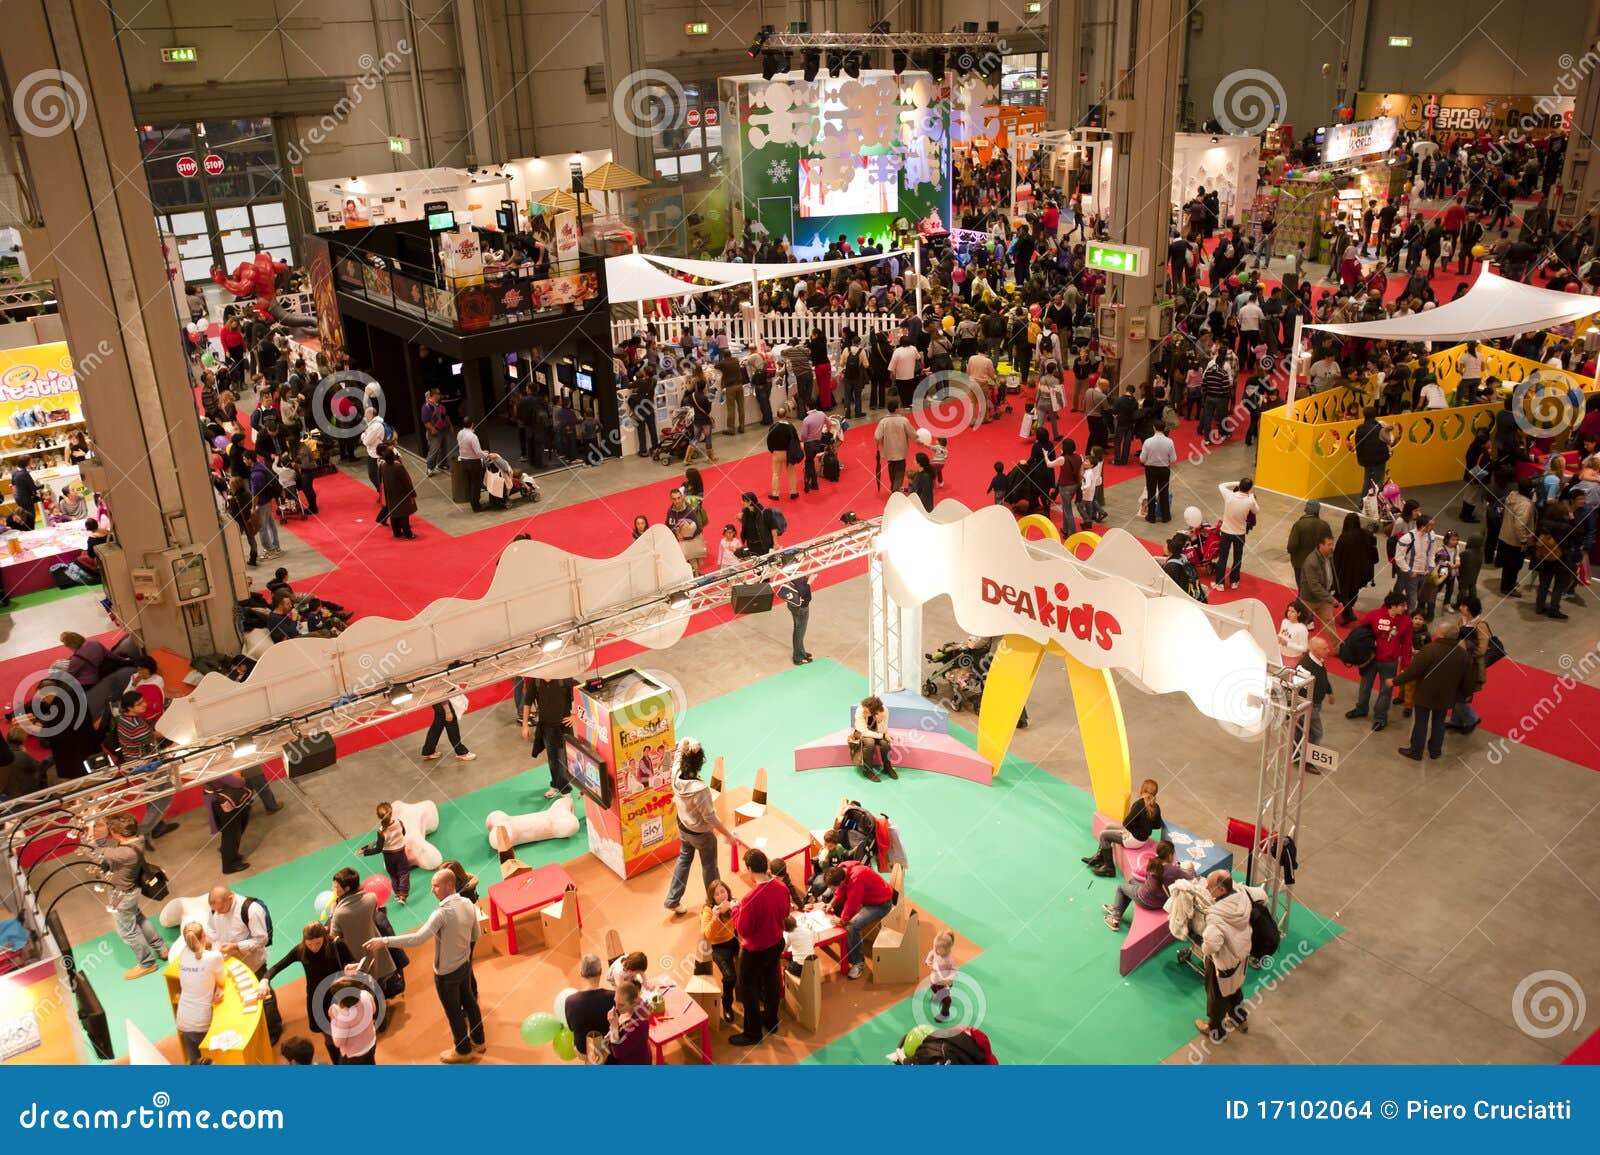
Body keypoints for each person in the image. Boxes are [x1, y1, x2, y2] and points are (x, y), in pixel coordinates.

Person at [366, 868, 485, 1063]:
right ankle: (479, 1041)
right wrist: (463, 954)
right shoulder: (467, 903)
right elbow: (476, 935)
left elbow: (418, 938)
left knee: (454, 1011)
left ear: (449, 886)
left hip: (446, 974)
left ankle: (463, 1050)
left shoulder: (441, 914)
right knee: (470, 1002)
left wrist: (385, 941)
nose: (432, 890)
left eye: (435, 886)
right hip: (464, 965)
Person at [266, 922, 358, 1063]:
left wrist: (352, 966)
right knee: (329, 1037)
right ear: (304, 942)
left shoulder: (337, 945)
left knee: (347, 1032)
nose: (314, 948)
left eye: (318, 943)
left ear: (325, 937)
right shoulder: (300, 950)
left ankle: (352, 1060)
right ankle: (338, 1064)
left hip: (338, 996)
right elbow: (277, 967)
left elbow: (353, 961)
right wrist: (265, 980)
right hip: (317, 999)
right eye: (310, 944)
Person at [662, 739, 733, 914]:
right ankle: (716, 904)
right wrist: (727, 834)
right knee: (709, 866)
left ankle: (672, 899)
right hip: (701, 834)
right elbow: (710, 818)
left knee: (684, 859)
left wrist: (692, 742)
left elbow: (683, 743)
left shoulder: (676, 770)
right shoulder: (700, 789)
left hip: (683, 825)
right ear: (700, 764)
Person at [729, 848, 790, 1046]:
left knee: (749, 990)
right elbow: (785, 912)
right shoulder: (782, 888)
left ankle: (752, 1033)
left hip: (755, 951)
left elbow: (744, 930)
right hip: (776, 942)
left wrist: (735, 909)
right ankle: (771, 1020)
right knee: (772, 979)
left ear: (749, 869)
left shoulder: (749, 899)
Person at [207, 884, 282, 1042]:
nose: (218, 913)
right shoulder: (216, 908)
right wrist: (214, 944)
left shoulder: (251, 909)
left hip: (254, 963)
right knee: (244, 998)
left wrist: (235, 946)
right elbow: (213, 930)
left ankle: (273, 1029)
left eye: (221, 909)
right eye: (216, 910)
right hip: (231, 963)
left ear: (230, 898)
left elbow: (261, 939)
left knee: (264, 995)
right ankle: (256, 1028)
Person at [97, 815, 168, 978]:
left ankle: (147, 963)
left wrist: (93, 833)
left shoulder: (122, 853)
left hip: (122, 895)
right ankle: (162, 949)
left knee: (128, 932)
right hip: (132, 891)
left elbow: (95, 852)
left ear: (116, 834)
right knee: (139, 920)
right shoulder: (139, 839)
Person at [1393, 624, 1476, 761]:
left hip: (1425, 693)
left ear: (1441, 634)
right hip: (1446, 695)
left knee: (1421, 722)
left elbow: (1413, 671)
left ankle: (1416, 751)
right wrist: (1464, 695)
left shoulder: (1429, 650)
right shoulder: (1463, 655)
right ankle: (1435, 751)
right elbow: (1467, 680)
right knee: (1439, 722)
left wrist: (1395, 681)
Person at [1196, 872, 1262, 1043]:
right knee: (1235, 988)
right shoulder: (1243, 896)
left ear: (1221, 889)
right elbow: (1262, 896)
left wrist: (1203, 947)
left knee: (1216, 996)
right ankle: (1240, 1019)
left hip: (1223, 963)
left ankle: (1216, 1030)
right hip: (1242, 956)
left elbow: (1211, 944)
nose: (1206, 888)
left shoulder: (1216, 916)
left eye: (1209, 886)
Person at [1345, 591, 1414, 733]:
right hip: (1370, 659)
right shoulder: (1374, 614)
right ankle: (1361, 708)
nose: (1405, 608)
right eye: (1402, 605)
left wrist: (1406, 665)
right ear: (1392, 606)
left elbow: (1407, 645)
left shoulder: (1406, 621)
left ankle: (1380, 718)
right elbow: (1360, 633)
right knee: (1365, 686)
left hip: (1390, 662)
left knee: (1385, 691)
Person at [329, 867, 399, 996]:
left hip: (356, 957)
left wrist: (332, 914)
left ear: (347, 889)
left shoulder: (339, 913)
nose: (334, 889)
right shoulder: (371, 898)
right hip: (376, 950)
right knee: (380, 982)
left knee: (366, 990)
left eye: (336, 887)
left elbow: (333, 937)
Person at [1104, 838, 1195, 930]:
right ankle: (1116, 912)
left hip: (1146, 898)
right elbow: (1191, 878)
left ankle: (1115, 916)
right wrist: (1191, 869)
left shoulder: (1152, 863)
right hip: (1160, 902)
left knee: (1122, 887)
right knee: (1131, 883)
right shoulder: (1174, 870)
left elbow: (1147, 880)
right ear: (1170, 855)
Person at [826, 858, 895, 979]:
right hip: (870, 899)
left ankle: (858, 963)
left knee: (852, 925)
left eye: (833, 888)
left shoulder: (856, 878)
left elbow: (853, 903)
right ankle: (852, 949)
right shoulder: (843, 869)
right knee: (844, 917)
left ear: (841, 881)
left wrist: (842, 920)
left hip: (881, 904)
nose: (833, 891)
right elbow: (842, 890)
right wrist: (831, 903)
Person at [1082, 778, 1162, 877]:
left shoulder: (1139, 804)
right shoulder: (1156, 807)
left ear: (1142, 790)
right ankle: (1100, 857)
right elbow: (1158, 825)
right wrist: (1144, 826)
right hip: (1142, 839)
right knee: (1109, 826)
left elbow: (1126, 823)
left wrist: (1130, 831)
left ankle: (1109, 867)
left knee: (1103, 835)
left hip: (1133, 840)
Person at [174, 921, 226, 1064]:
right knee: (213, 1061)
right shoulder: (214, 957)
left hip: (183, 1019)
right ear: (204, 935)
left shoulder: (184, 953)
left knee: (195, 1062)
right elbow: (222, 980)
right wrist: (216, 951)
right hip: (201, 1023)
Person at [524, 675, 578, 797]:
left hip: (563, 727)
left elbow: (580, 692)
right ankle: (555, 785)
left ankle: (565, 790)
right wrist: (525, 726)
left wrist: (575, 715)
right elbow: (527, 703)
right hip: (546, 728)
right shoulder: (536, 681)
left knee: (562, 759)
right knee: (552, 759)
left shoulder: (564, 679)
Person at [1446, 596, 1490, 735]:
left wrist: (1465, 654)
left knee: (1461, 693)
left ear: (1470, 608)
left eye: (1463, 606)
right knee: (1458, 691)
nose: (1460, 608)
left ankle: (1471, 719)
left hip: (1471, 665)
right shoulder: (1462, 620)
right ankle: (1456, 721)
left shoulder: (1481, 625)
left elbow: (1482, 648)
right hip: (1459, 661)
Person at [701, 880, 739, 1021]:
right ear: (712, 898)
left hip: (734, 939)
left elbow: (740, 923)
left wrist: (737, 908)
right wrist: (716, 918)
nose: (721, 896)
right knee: (730, 977)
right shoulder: (708, 910)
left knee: (754, 960)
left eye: (723, 891)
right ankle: (727, 1004)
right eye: (717, 894)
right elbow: (708, 936)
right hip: (718, 946)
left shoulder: (733, 901)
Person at [1332, 512, 1379, 625]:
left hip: (1346, 571)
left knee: (1343, 592)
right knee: (1354, 590)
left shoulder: (1344, 537)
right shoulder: (1366, 535)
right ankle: (1348, 612)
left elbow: (1337, 556)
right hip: (1362, 570)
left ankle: (1349, 612)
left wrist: (1334, 571)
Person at [359, 801, 412, 904]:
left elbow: (378, 849)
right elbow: (403, 833)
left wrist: (365, 851)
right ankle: (403, 895)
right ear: (391, 812)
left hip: (388, 856)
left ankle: (397, 893)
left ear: (379, 817)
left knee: (393, 874)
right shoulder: (399, 822)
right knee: (404, 873)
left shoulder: (381, 831)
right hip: (400, 853)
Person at [202, 773, 254, 875]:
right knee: (231, 832)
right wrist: (243, 779)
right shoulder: (216, 767)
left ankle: (230, 853)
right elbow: (237, 782)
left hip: (219, 799)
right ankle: (229, 865)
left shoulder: (211, 766)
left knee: (233, 830)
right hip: (222, 802)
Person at [563, 954, 614, 1058]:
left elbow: (571, 1028)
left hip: (583, 1049)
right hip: (607, 1047)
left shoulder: (570, 1001)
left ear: (581, 973)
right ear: (600, 971)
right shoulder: (613, 996)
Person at [1213, 479, 1258, 592]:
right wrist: (1251, 495)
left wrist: (1235, 483)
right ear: (1249, 488)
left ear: (1239, 485)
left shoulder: (1229, 495)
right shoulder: (1250, 500)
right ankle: (1234, 581)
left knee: (1223, 557)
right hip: (1240, 533)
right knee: (1238, 558)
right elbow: (1256, 510)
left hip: (1226, 532)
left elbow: (1221, 484)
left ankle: (1220, 583)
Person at [1498, 480, 1537, 596]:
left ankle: (1508, 583)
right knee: (1514, 565)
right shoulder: (1525, 504)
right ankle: (1507, 587)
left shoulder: (1512, 495)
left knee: (1508, 565)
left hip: (1506, 534)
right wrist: (1524, 541)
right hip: (1516, 541)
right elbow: (1520, 525)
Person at [1297, 535, 1341, 638]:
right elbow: (1314, 586)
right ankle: (1296, 647)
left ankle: (1338, 649)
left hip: (1323, 598)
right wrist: (1331, 599)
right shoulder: (1311, 561)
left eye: (1332, 544)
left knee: (1330, 623)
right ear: (1321, 545)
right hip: (1309, 599)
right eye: (1329, 544)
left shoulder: (1329, 556)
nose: (1332, 547)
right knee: (1300, 625)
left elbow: (1331, 574)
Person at [849, 694, 896, 781]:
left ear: (874, 712)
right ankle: (868, 770)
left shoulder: (884, 710)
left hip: (877, 732)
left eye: (866, 711)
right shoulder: (860, 710)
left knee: (885, 743)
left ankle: (887, 767)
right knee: (870, 742)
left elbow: (883, 730)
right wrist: (882, 736)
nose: (864, 712)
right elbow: (864, 732)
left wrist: (881, 720)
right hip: (861, 732)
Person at [605, 981, 653, 1064]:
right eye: (615, 1002)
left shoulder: (639, 1024)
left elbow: (618, 1052)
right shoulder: (636, 1001)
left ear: (634, 1003)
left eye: (621, 1005)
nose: (616, 1008)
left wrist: (613, 1027)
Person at [874, 399, 915, 493]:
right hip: (901, 451)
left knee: (891, 469)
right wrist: (918, 439)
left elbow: (877, 437)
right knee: (900, 471)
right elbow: (912, 433)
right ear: (897, 409)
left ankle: (893, 487)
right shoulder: (903, 420)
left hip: (889, 452)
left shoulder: (883, 422)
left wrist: (880, 442)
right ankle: (895, 490)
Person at [1138, 423, 1176, 523]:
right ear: (1164, 429)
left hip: (1151, 469)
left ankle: (1151, 516)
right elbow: (1173, 459)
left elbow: (1142, 459)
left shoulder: (1148, 441)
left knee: (1151, 492)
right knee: (1164, 492)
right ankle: (1166, 516)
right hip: (1164, 469)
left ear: (1154, 428)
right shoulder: (1169, 442)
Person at [378, 447, 418, 540]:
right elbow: (406, 481)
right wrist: (412, 492)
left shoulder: (383, 466)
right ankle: (408, 534)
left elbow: (381, 479)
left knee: (394, 512)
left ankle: (397, 533)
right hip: (401, 493)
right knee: (404, 513)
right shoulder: (398, 467)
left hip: (389, 492)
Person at [1286, 500, 1332, 579]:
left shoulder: (1299, 525)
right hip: (1319, 563)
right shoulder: (1325, 525)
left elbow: (1291, 547)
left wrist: (1294, 557)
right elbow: (1329, 546)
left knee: (1302, 588)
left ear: (1306, 510)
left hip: (1300, 564)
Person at [778, 571, 813, 665]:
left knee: (798, 629)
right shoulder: (796, 577)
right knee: (800, 631)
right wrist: (809, 581)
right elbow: (803, 592)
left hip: (793, 605)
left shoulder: (792, 575)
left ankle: (801, 651)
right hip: (801, 608)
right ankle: (798, 657)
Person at [766, 407, 801, 500]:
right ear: (785, 415)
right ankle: (793, 492)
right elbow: (796, 440)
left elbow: (769, 441)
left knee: (776, 474)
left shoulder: (773, 427)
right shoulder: (790, 427)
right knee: (791, 473)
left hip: (777, 453)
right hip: (789, 453)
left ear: (777, 416)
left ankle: (775, 494)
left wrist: (772, 450)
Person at [925, 929, 959, 1021]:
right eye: (934, 947)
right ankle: (937, 997)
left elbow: (954, 972)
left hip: (944, 983)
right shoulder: (935, 951)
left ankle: (945, 1013)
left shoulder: (949, 960)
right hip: (935, 979)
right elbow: (931, 954)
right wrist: (928, 962)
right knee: (933, 988)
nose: (935, 950)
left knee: (946, 1000)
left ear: (947, 950)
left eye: (938, 949)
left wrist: (947, 980)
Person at [421, 388, 452, 474]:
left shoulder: (439, 405)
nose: (439, 395)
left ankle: (442, 463)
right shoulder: (426, 406)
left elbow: (444, 416)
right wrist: (432, 429)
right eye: (438, 394)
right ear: (433, 395)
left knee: (444, 448)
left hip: (443, 430)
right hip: (434, 432)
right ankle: (429, 468)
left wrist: (450, 426)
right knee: (434, 449)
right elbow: (425, 421)